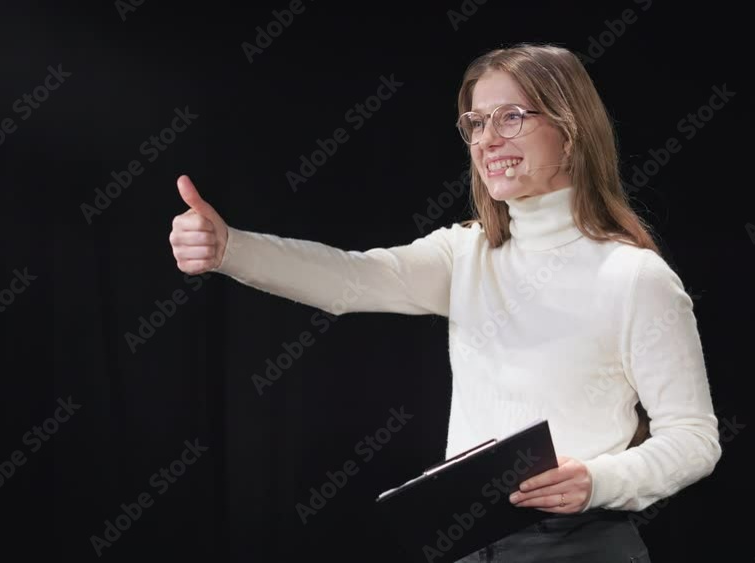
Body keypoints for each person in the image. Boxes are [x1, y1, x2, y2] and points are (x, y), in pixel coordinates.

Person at [168, 43, 721, 562]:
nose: (487, 140)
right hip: (470, 542)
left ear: (571, 132)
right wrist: (230, 248)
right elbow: (350, 279)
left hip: (578, 546)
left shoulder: (634, 276)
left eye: (511, 117)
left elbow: (694, 439)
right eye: (476, 123)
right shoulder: (467, 254)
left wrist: (598, 480)